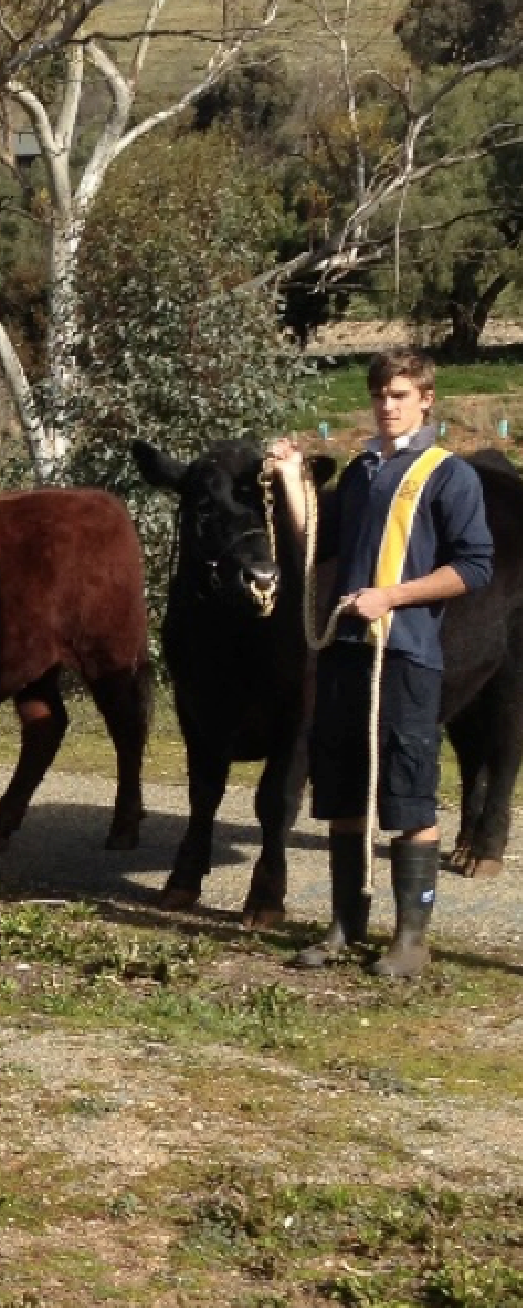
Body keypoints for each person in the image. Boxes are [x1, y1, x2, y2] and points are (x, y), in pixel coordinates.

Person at [273, 348, 492, 978]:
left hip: (406, 658)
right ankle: (344, 928)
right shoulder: (362, 469)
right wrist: (293, 480)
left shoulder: (449, 475)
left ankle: (411, 942)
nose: (387, 406)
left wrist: (391, 596)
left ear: (426, 397)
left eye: (399, 395)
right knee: (342, 793)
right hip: (345, 654)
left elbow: (475, 566)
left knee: (407, 799)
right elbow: (321, 543)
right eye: (378, 395)